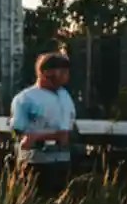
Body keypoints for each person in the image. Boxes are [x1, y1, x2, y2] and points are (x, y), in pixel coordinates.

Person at [10, 52, 77, 196]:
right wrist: (51, 136)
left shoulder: (65, 95)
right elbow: (18, 132)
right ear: (47, 72)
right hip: (36, 162)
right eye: (62, 71)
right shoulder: (26, 98)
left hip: (62, 160)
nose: (66, 75)